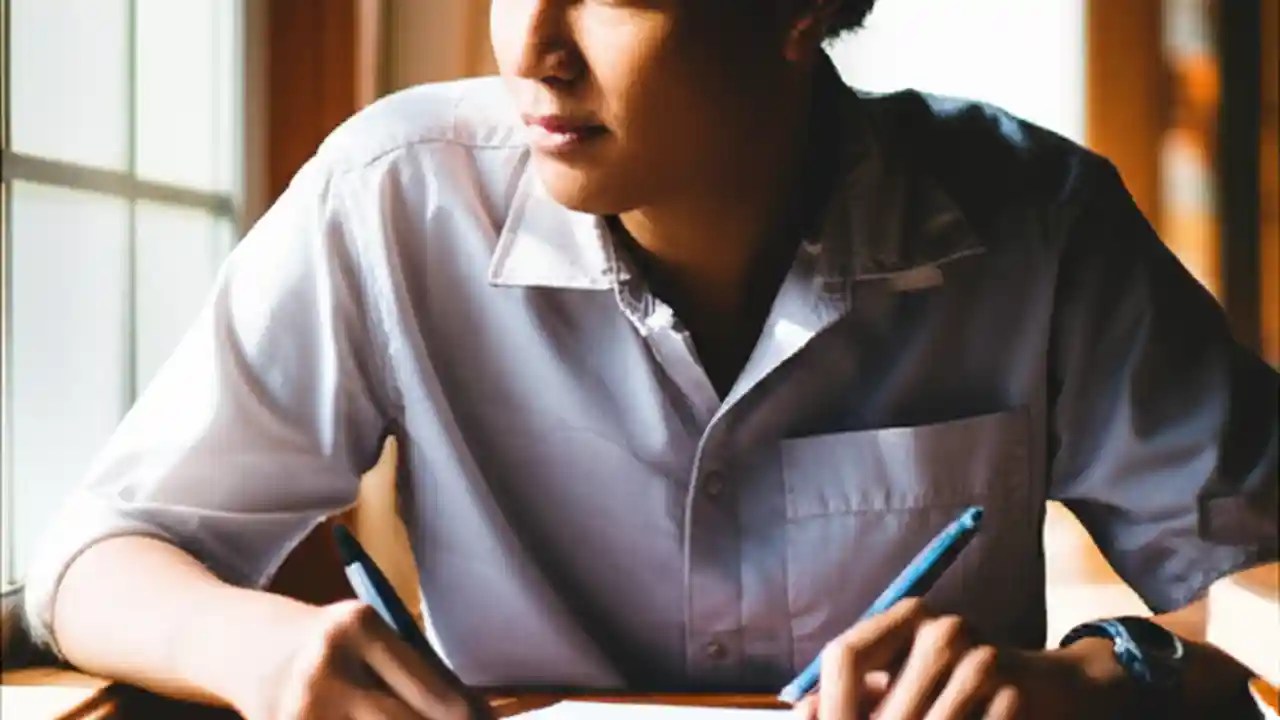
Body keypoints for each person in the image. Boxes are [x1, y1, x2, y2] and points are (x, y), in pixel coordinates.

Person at [21, 0, 1277, 718]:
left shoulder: (1033, 218)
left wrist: (1083, 690)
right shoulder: (392, 198)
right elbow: (93, 560)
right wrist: (263, 652)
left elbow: (1254, 585)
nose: (529, 49)